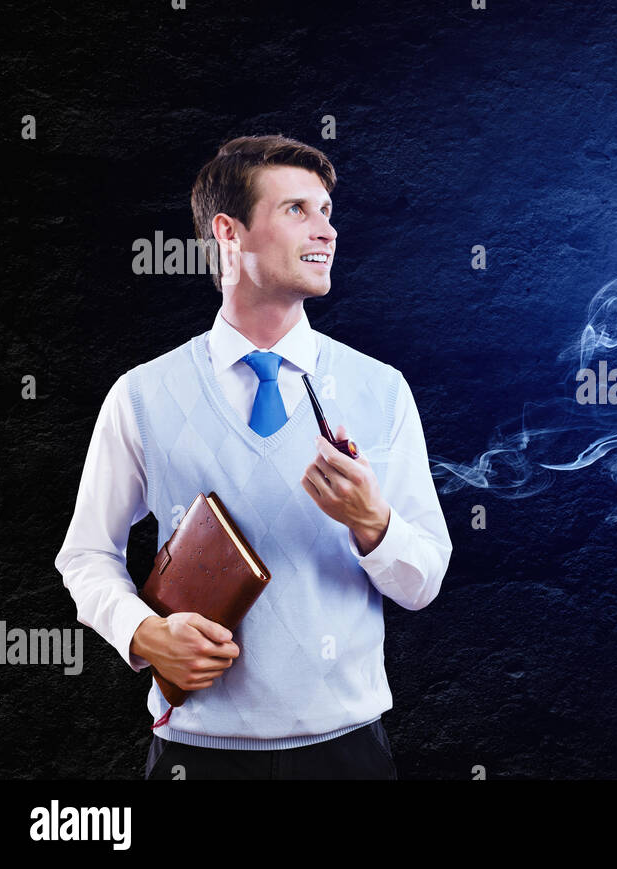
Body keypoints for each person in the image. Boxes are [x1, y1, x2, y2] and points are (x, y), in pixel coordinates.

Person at [54, 135, 452, 779]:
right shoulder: (142, 394)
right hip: (197, 754)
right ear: (227, 232)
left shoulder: (381, 389)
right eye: (297, 209)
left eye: (327, 211)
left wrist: (372, 524)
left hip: (349, 754)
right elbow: (86, 555)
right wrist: (141, 633)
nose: (326, 230)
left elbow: (424, 582)